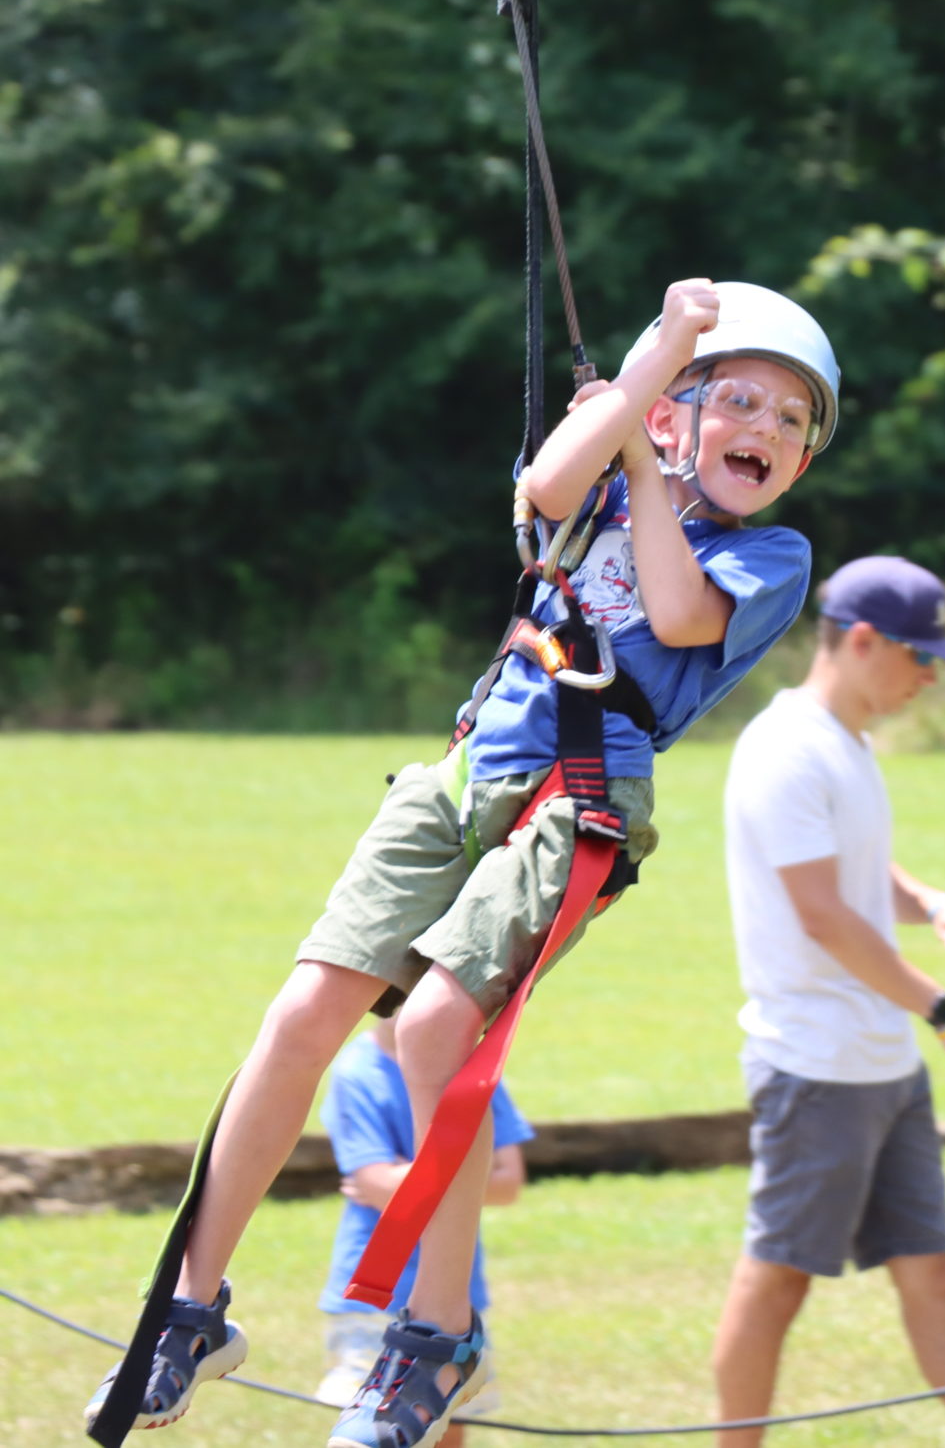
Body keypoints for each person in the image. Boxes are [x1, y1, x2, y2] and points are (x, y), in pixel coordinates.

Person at [88, 279, 838, 1448]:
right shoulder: (605, 471)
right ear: (669, 413)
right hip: (469, 764)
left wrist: (644, 465)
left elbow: (678, 615)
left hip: (581, 797)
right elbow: (548, 486)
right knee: (305, 1012)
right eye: (738, 400)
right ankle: (192, 1306)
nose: (767, 430)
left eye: (792, 422)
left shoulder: (772, 556)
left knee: (437, 1029)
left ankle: (437, 1339)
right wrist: (654, 365)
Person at [711, 556, 945, 1448]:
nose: (929, 677)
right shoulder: (785, 749)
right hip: (815, 1065)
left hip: (882, 1061)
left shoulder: (846, 742)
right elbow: (823, 916)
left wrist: (935, 902)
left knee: (936, 1278)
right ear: (860, 641)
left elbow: (854, 871)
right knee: (777, 1280)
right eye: (920, 656)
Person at [315, 1014, 534, 1446]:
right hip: (374, 1296)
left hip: (456, 1295)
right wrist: (467, 1173)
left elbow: (508, 1184)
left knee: (447, 1419)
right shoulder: (358, 1072)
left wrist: (401, 1178)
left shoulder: (477, 1070)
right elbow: (377, 1184)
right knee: (370, 1432)